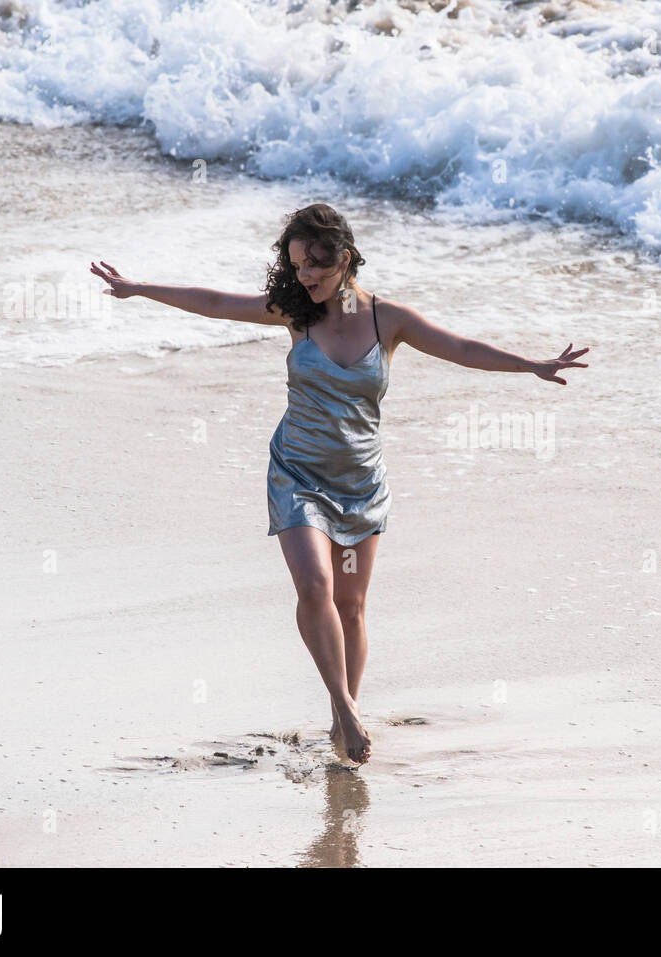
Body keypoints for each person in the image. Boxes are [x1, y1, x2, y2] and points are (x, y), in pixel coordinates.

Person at [90, 203, 589, 764]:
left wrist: (531, 365)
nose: (304, 278)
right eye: (297, 265)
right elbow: (214, 304)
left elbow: (462, 349)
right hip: (298, 476)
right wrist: (138, 288)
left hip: (360, 485)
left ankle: (340, 717)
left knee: (350, 607)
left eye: (315, 268)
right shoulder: (296, 313)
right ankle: (347, 710)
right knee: (313, 590)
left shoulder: (389, 320)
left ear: (345, 260)